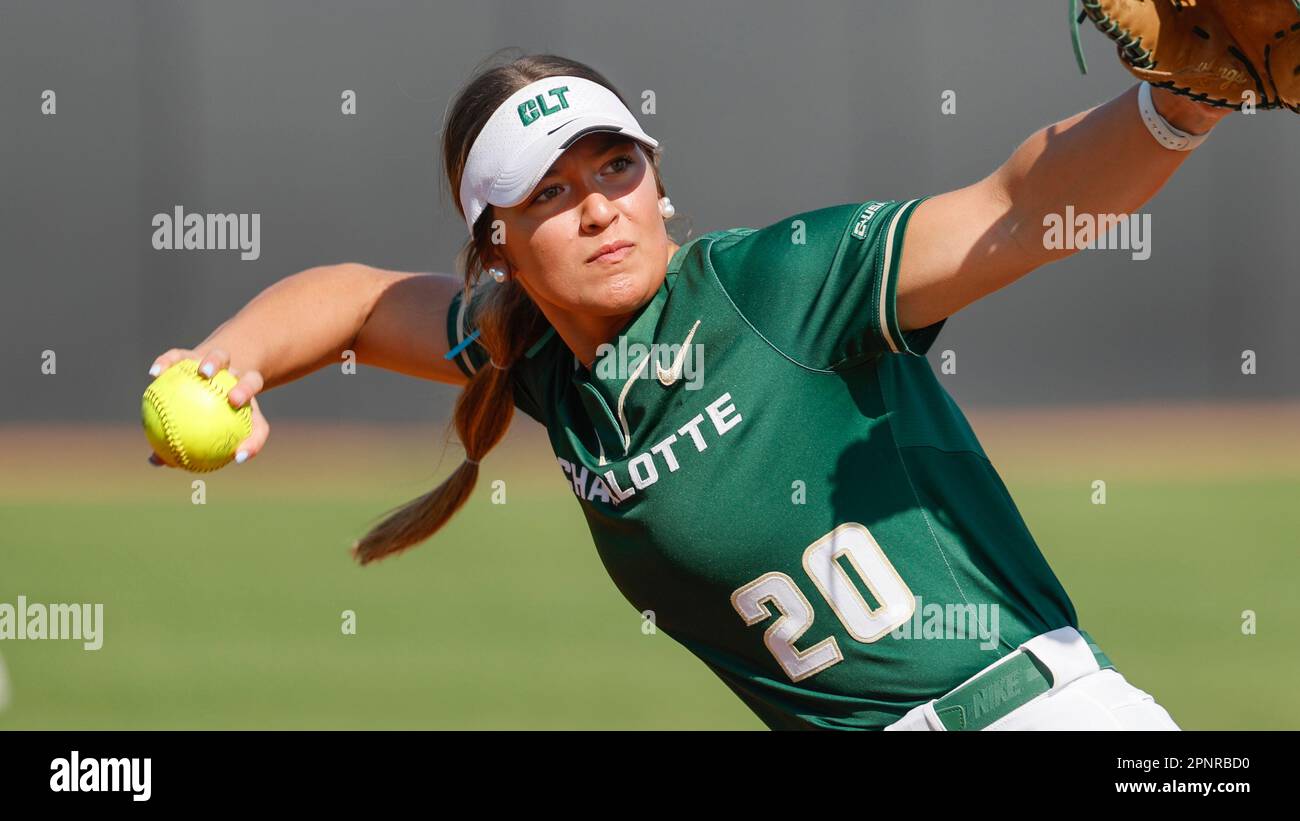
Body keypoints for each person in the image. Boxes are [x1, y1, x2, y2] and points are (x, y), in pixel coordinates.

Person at [148, 51, 1232, 730]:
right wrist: (223, 363)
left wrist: (1176, 107)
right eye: (551, 193)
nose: (600, 209)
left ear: (661, 181)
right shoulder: (531, 354)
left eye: (618, 167)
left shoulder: (780, 284)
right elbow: (353, 297)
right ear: (500, 244)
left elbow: (1022, 204)